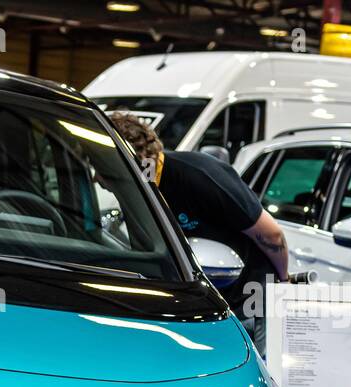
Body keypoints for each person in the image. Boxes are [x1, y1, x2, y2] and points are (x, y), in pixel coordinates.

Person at [108, 111, 290, 352]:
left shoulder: (199, 175)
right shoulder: (141, 188)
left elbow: (271, 235)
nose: (98, 179)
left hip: (247, 302)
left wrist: (284, 284)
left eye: (103, 168)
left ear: (133, 159)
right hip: (199, 304)